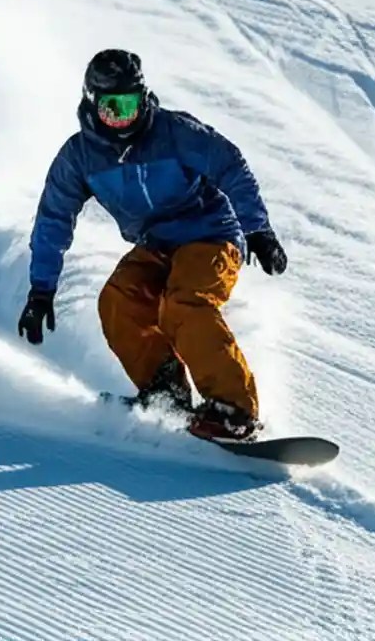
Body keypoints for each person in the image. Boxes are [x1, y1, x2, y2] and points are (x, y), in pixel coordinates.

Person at [17, 49, 287, 442]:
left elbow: (230, 165)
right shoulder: (80, 157)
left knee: (185, 303)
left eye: (132, 105)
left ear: (145, 99)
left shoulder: (174, 133)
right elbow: (53, 218)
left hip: (209, 235)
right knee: (117, 301)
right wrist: (42, 289)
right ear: (92, 103)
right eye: (113, 107)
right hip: (156, 244)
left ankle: (234, 410)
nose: (123, 118)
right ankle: (167, 393)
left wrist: (258, 230)